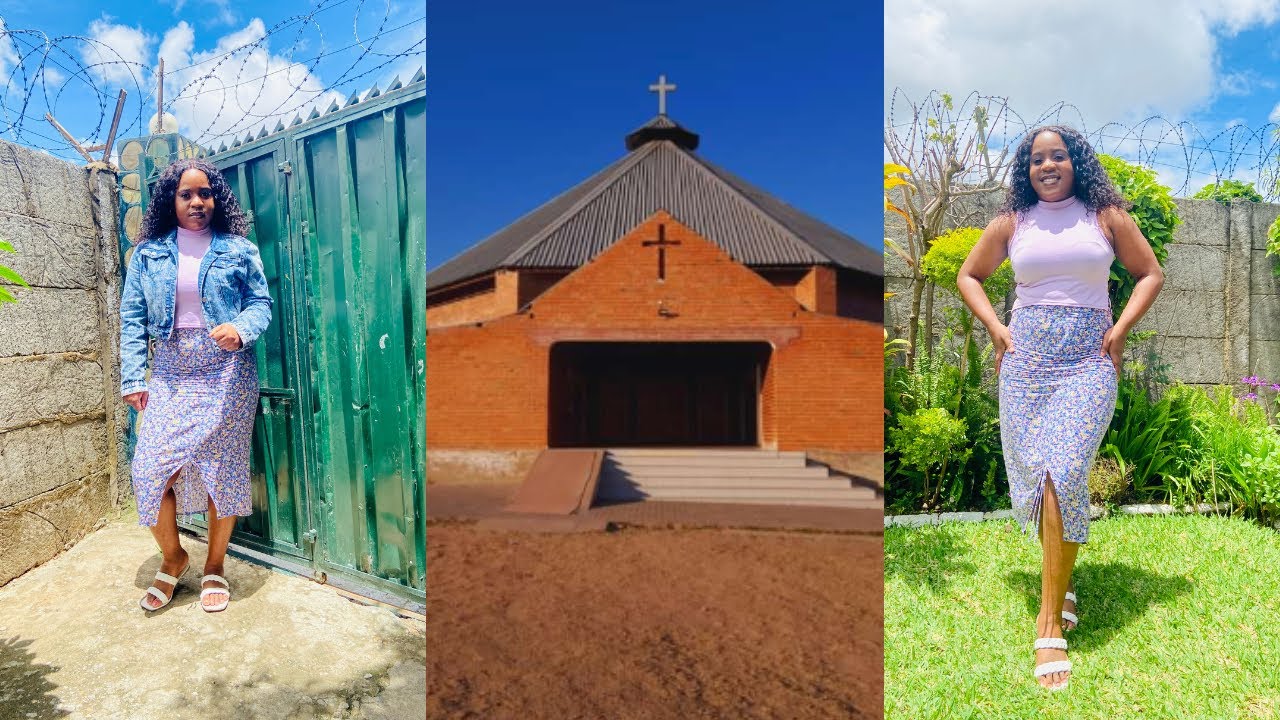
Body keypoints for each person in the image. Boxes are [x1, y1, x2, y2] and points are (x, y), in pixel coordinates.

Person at [957, 126, 1163, 690]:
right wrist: (997, 329)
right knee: (1041, 478)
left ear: (1077, 163)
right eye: (1036, 159)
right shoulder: (1012, 223)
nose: (1047, 166)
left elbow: (1150, 273)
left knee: (1064, 471)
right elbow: (968, 275)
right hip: (1027, 362)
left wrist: (1118, 333)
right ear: (1026, 169)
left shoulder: (1106, 215)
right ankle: (1059, 579)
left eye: (1058, 156)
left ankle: (1049, 623)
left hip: (1086, 361)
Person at [119, 157, 272, 613]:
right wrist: (133, 375)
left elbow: (260, 302)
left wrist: (241, 328)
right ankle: (175, 556)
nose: (196, 202)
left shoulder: (238, 249)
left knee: (220, 473)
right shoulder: (149, 254)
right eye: (186, 194)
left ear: (216, 198)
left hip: (226, 370)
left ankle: (216, 565)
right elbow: (132, 318)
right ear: (171, 200)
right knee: (148, 470)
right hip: (169, 370)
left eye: (204, 193)